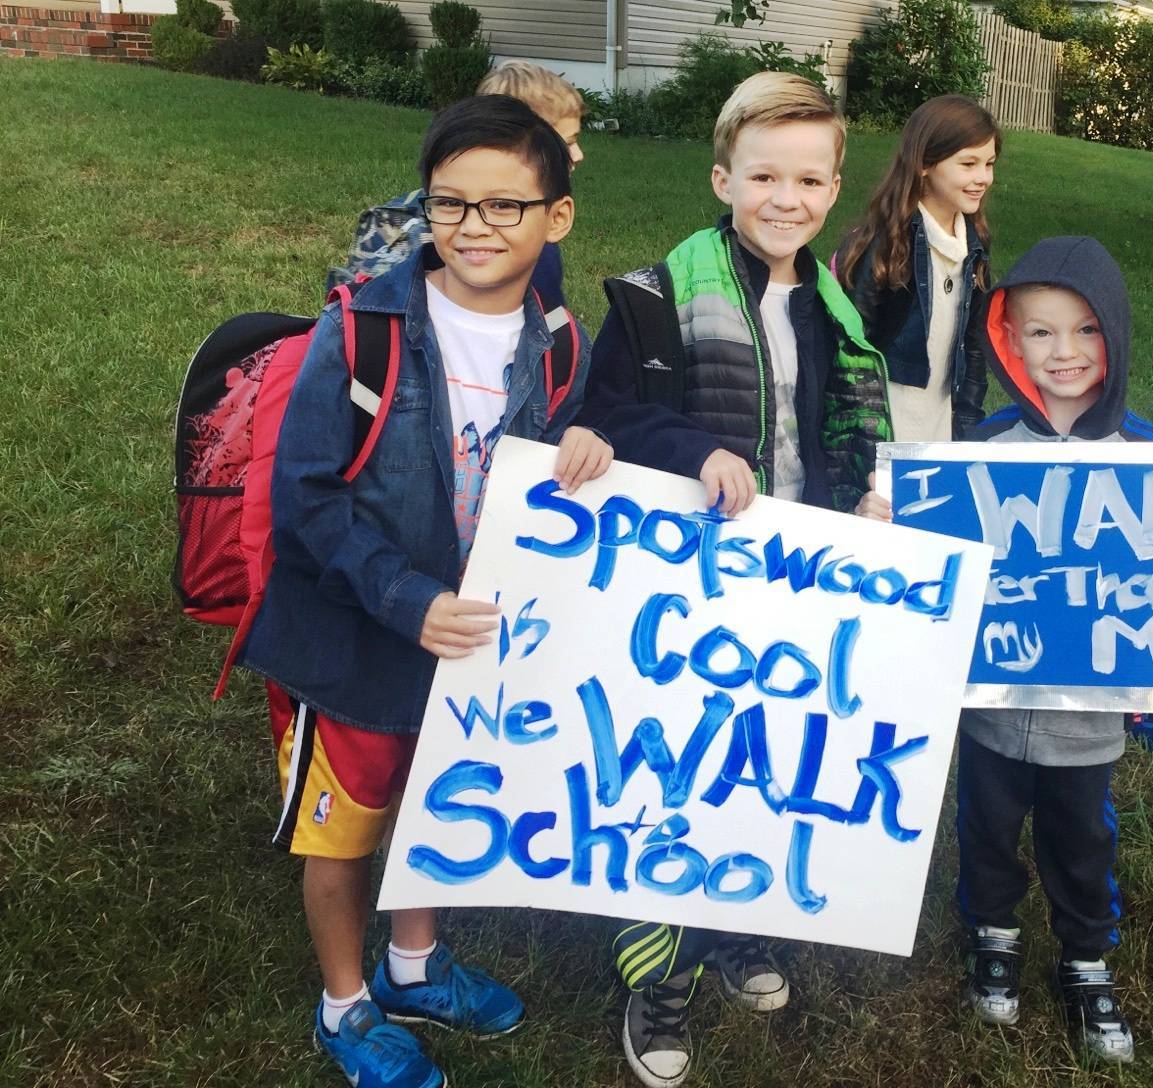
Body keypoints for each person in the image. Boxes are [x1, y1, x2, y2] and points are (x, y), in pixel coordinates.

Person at [859, 236, 1153, 1063]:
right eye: (1039, 333)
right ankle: (993, 936)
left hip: (1091, 726)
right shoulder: (980, 455)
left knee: (1083, 843)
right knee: (988, 828)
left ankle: (1085, 957)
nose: (1063, 352)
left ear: (1114, 331)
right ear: (1007, 340)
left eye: (1084, 330)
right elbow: (923, 560)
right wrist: (886, 530)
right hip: (992, 718)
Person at [241, 95, 613, 1088]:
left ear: (556, 216)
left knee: (428, 808)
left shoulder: (564, 342)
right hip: (356, 641)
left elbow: (561, 464)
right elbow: (306, 503)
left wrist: (588, 440)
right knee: (345, 828)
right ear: (427, 207)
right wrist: (404, 600)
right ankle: (345, 1001)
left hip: (473, 645)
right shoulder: (362, 333)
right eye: (452, 204)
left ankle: (414, 964)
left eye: (505, 206)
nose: (476, 228)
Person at [576, 71, 891, 1088]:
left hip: (797, 574)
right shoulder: (656, 298)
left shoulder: (838, 312)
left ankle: (743, 928)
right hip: (685, 579)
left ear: (834, 188)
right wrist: (687, 450)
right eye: (763, 176)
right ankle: (659, 970)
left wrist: (869, 493)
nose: (784, 199)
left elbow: (846, 428)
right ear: (723, 177)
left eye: (808, 180)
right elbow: (604, 413)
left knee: (766, 756)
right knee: (683, 758)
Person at [329, 60, 587, 292]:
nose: (577, 154)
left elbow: (549, 317)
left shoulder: (536, 220)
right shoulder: (436, 243)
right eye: (566, 142)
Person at [834, 94, 1000, 441]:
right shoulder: (886, 246)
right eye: (968, 164)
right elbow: (852, 351)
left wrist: (967, 427)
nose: (983, 178)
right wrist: (863, 437)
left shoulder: (974, 245)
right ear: (924, 162)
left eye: (989, 164)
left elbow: (974, 348)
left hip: (940, 426)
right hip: (884, 425)